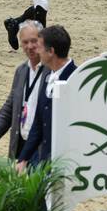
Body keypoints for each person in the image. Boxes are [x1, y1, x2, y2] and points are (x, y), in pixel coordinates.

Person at [0, 19, 44, 161]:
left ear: (42, 41)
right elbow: (10, 107)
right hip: (21, 144)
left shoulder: (52, 72)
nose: (30, 46)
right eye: (25, 42)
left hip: (42, 149)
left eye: (34, 41)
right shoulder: (21, 71)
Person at [17, 24, 76, 170]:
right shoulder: (48, 76)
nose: (37, 50)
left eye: (40, 46)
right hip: (45, 160)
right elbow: (38, 122)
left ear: (51, 52)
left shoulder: (76, 80)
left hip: (66, 163)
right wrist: (23, 158)